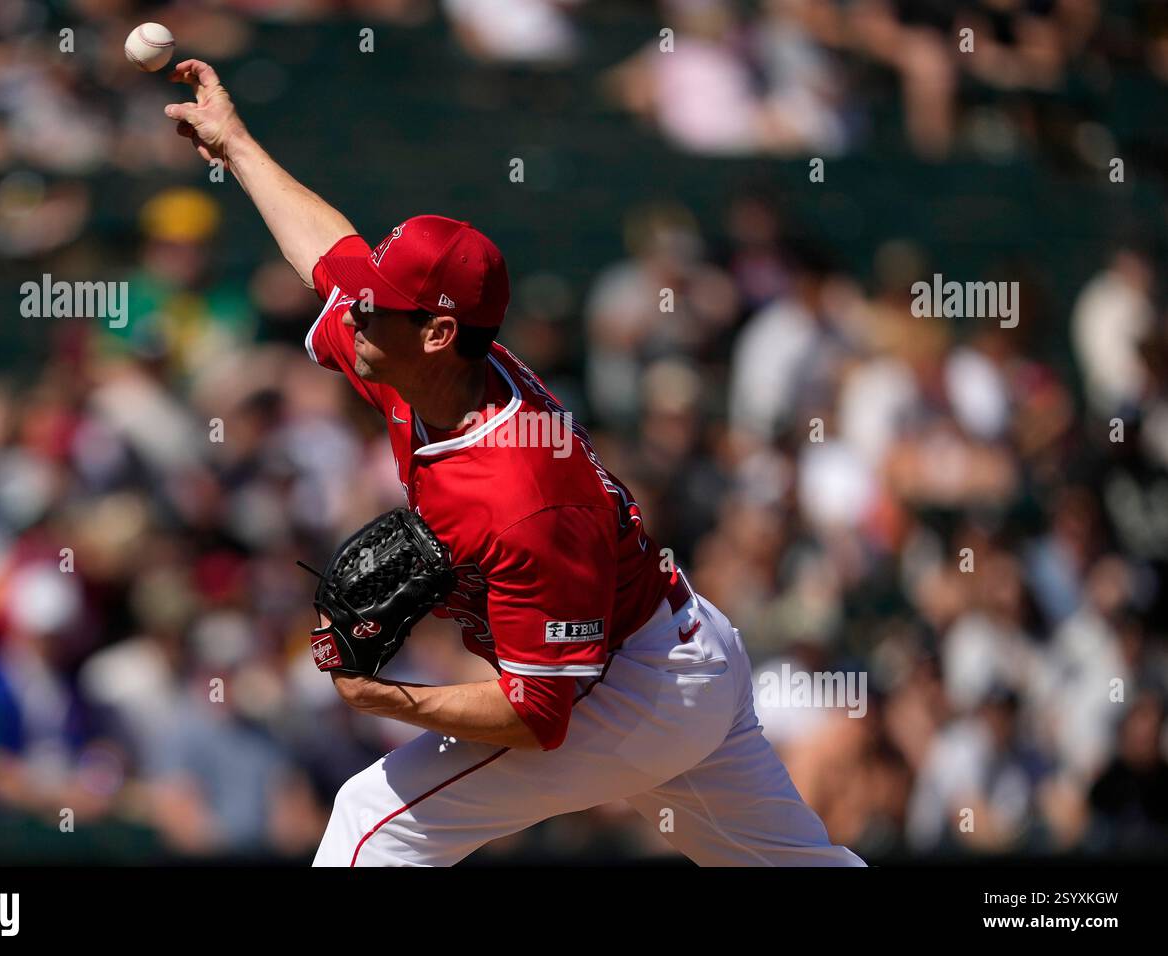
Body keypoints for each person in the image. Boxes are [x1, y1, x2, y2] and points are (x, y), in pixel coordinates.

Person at [163, 59, 866, 868]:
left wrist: (382, 698)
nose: (354, 307)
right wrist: (237, 144)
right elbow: (332, 256)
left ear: (433, 332)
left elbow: (541, 714)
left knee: (371, 824)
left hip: (626, 686)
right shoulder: (418, 359)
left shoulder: (520, 492)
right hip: (675, 653)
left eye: (379, 303)